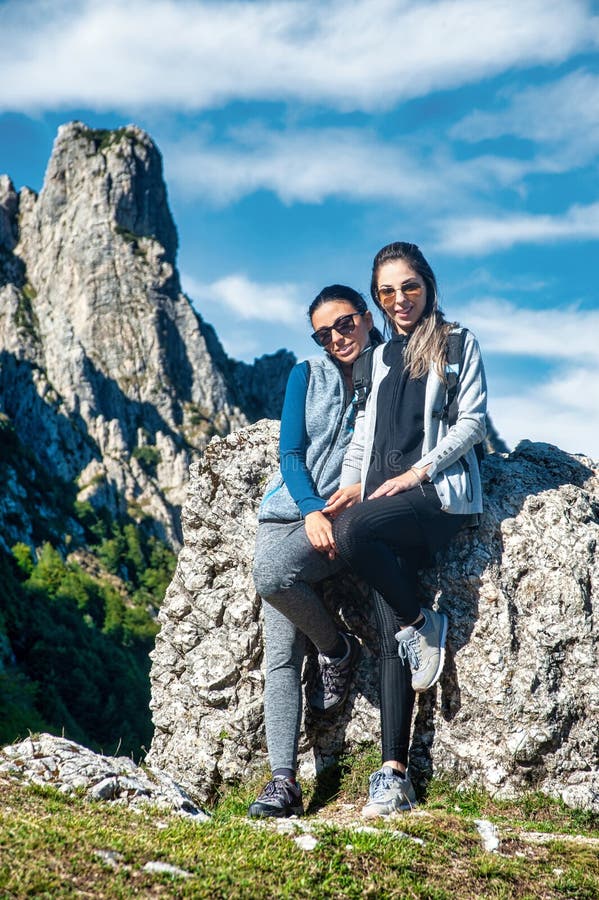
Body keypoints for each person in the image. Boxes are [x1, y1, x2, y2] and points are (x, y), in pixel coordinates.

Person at [326, 242, 487, 818]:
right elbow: (362, 440)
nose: (400, 300)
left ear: (428, 285)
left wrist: (420, 471)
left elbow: (473, 421)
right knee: (390, 629)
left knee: (352, 537)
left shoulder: (458, 343)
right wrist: (350, 486)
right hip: (379, 500)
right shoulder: (375, 359)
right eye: (387, 291)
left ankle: (427, 623)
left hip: (434, 498)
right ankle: (394, 773)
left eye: (409, 287)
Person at [248, 285, 383, 819]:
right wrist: (309, 508)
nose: (336, 338)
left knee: (272, 576)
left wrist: (337, 509)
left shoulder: (392, 370)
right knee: (279, 652)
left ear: (366, 318)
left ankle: (337, 649)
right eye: (324, 332)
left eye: (345, 324)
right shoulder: (306, 373)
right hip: (291, 515)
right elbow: (291, 451)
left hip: (348, 516)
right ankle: (284, 781)